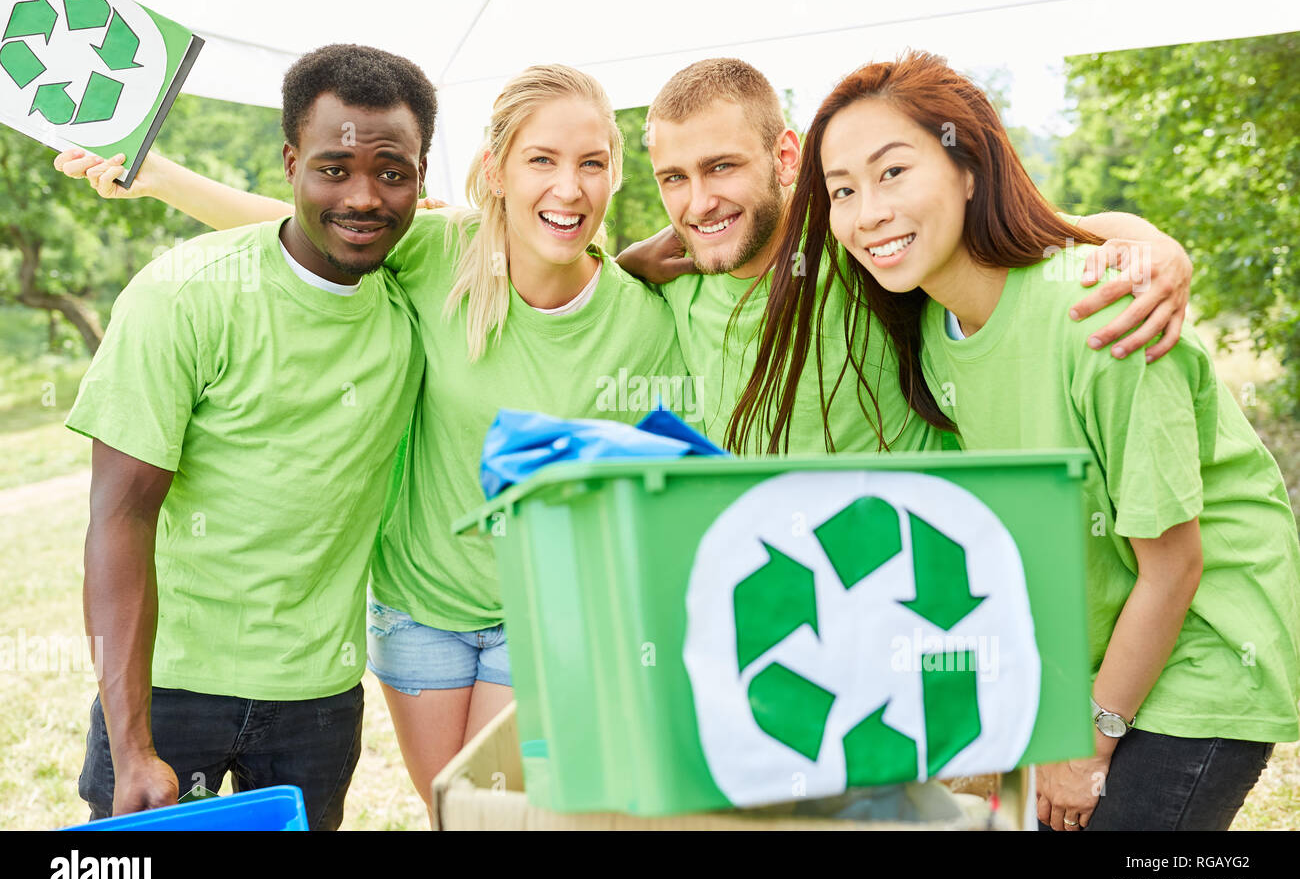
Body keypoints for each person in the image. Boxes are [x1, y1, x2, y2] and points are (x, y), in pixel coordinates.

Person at [59, 65, 692, 818]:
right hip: (417, 614)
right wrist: (163, 178)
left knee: (493, 817)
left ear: (616, 175)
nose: (569, 185)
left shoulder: (643, 319)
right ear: (495, 171)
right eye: (542, 160)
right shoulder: (436, 253)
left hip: (520, 615)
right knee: (453, 812)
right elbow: (308, 223)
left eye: (591, 162)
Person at [734, 50, 1300, 830]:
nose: (867, 212)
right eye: (842, 191)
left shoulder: (1104, 310)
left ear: (969, 168)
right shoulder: (935, 326)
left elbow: (1174, 567)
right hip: (1109, 656)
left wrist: (1090, 742)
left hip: (1202, 651)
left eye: (893, 172)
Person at [64, 44, 435, 829]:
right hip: (171, 688)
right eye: (334, 167)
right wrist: (133, 747)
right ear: (291, 162)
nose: (364, 196)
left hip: (320, 699)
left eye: (392, 172)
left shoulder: (417, 295)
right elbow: (118, 516)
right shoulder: (181, 296)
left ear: (421, 179)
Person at [617, 58, 1194, 454]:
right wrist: (627, 263)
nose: (700, 200)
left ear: (786, 157)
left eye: (722, 166)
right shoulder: (669, 281)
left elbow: (1048, 229)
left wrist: (1164, 252)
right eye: (674, 177)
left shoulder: (861, 240)